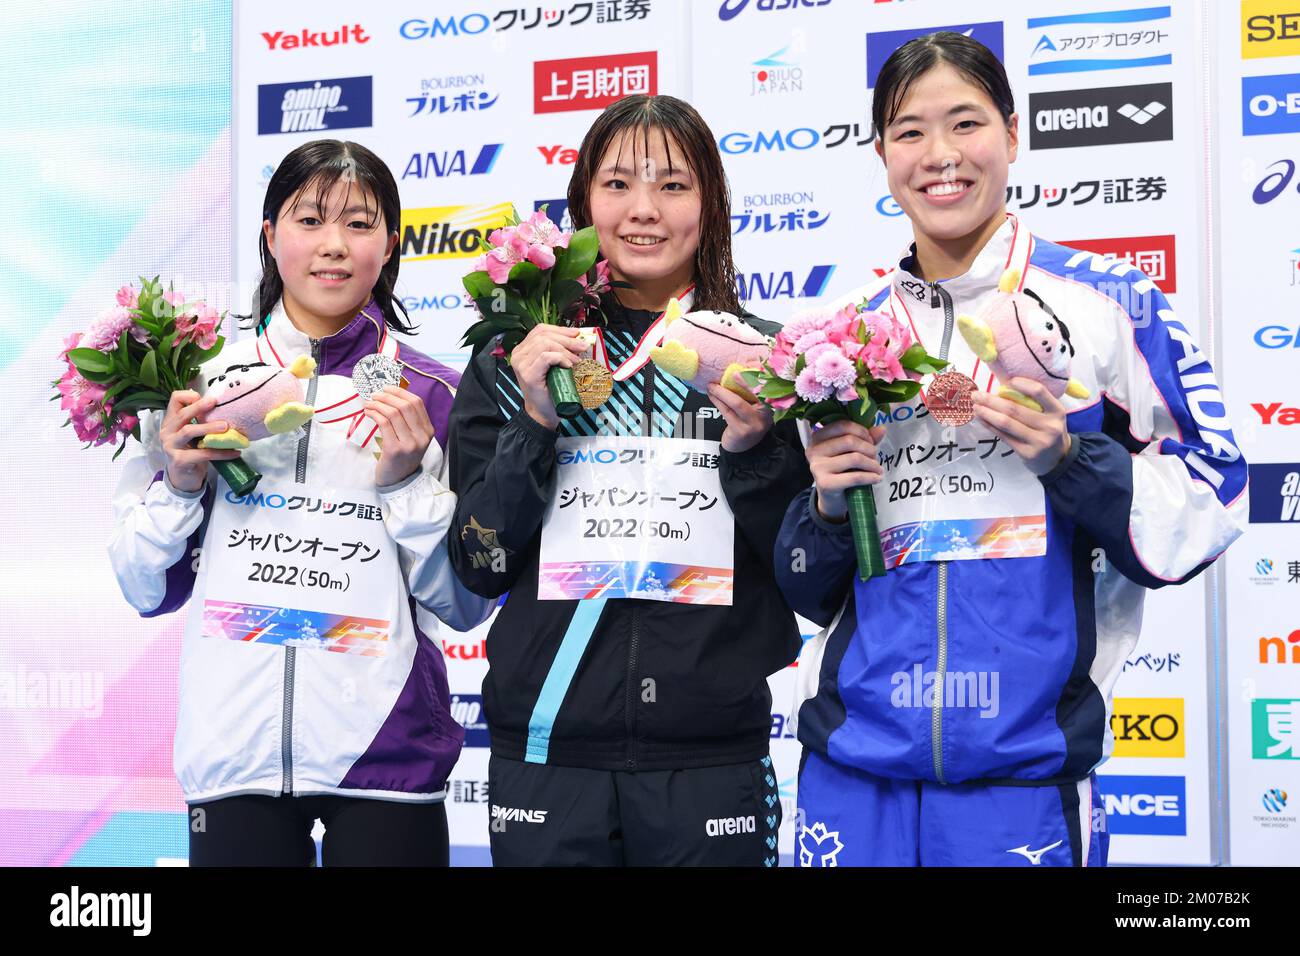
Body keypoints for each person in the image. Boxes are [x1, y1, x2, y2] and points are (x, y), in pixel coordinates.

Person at [775, 33, 1247, 867]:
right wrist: (819, 507)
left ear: (1014, 133)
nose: (942, 156)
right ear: (881, 151)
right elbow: (810, 585)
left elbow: (1216, 493)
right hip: (851, 771)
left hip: (1024, 777)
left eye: (967, 122)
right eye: (911, 131)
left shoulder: (1106, 306)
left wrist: (1071, 460)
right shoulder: (839, 329)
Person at [446, 95, 811, 866]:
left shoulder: (769, 363)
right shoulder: (517, 361)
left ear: (710, 204)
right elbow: (479, 564)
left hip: (709, 758)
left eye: (673, 185)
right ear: (583, 202)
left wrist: (754, 452)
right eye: (618, 184)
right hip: (547, 750)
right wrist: (535, 426)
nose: (643, 209)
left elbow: (811, 572)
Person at [108, 139, 494, 866]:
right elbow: (143, 588)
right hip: (234, 758)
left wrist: (407, 483)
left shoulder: (437, 396)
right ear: (269, 236)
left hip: (388, 757)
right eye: (310, 219)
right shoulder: (195, 384)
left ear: (392, 244)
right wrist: (179, 485)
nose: (333, 246)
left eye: (358, 223)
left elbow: (467, 605)